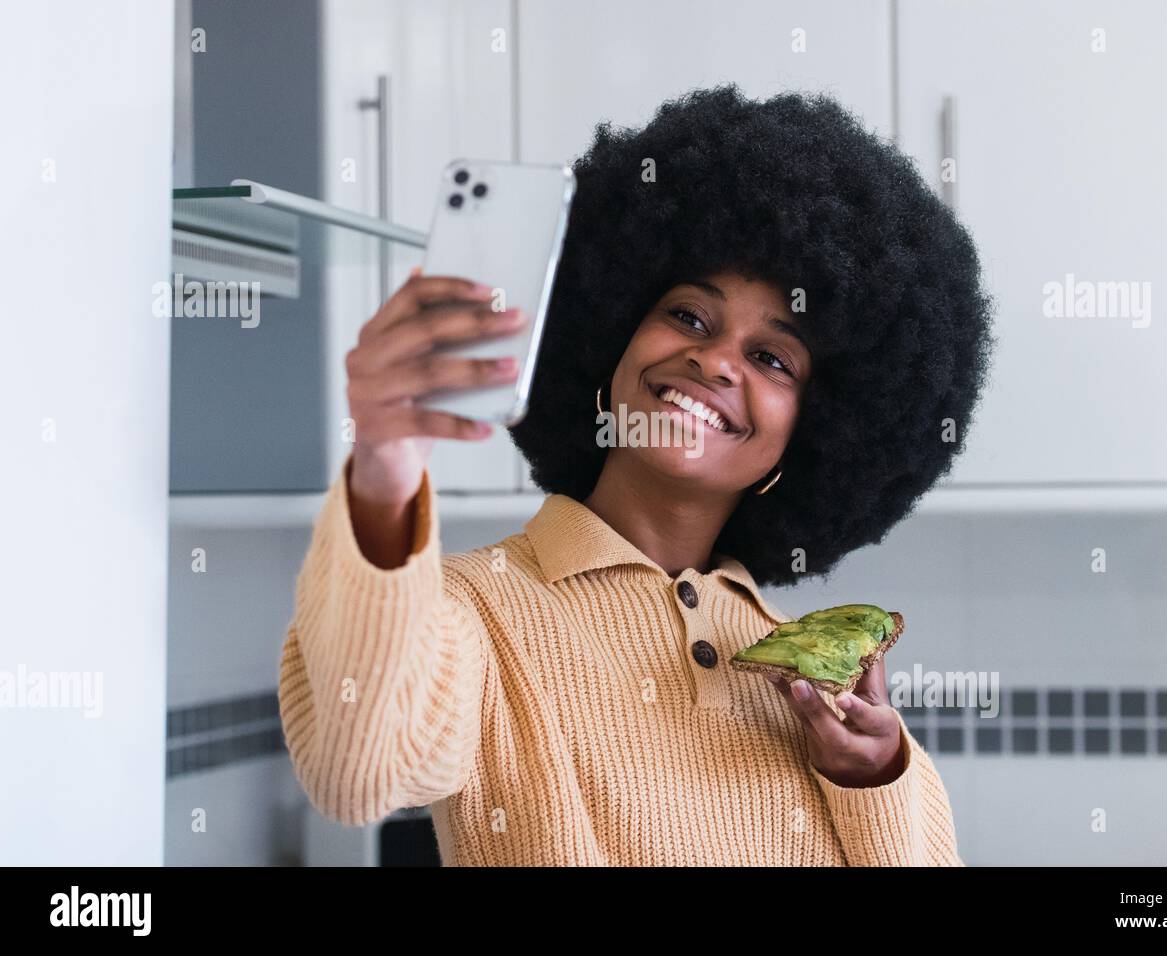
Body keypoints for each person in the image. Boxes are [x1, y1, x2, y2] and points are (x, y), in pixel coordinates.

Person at [279, 83, 994, 865]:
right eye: (688, 316)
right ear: (607, 342)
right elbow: (357, 778)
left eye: (771, 358)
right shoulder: (471, 615)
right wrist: (385, 463)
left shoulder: (812, 676)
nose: (714, 361)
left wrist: (874, 778)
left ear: (814, 435)